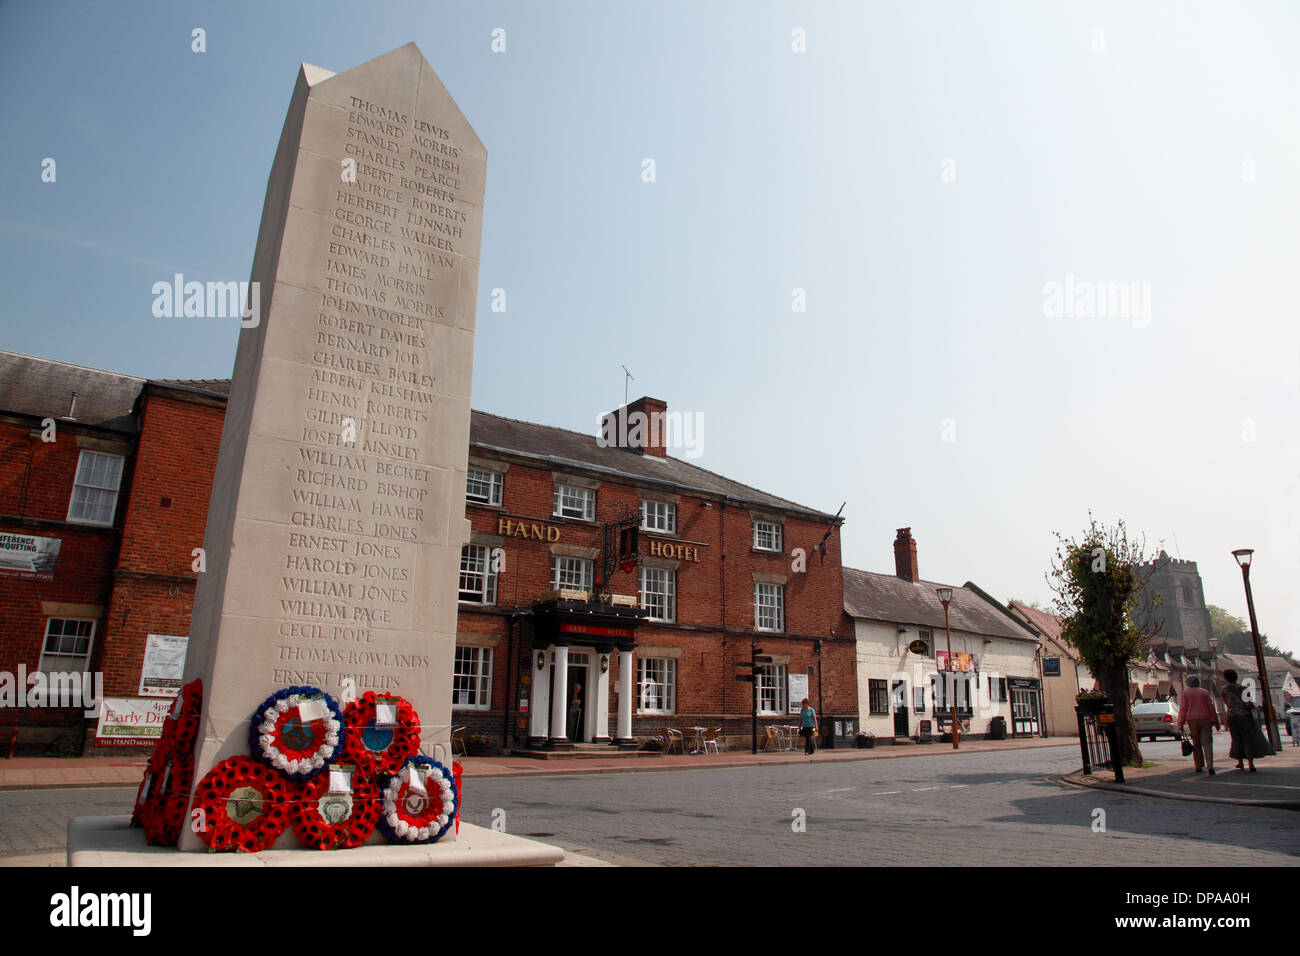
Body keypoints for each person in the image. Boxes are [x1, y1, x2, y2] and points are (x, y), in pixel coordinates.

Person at [1221, 669, 1272, 772]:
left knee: (1236, 738)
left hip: (1232, 716)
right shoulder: (1243, 689)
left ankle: (1240, 762)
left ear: (1225, 678)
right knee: (1247, 738)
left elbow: (1226, 702)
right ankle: (1250, 763)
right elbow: (1249, 703)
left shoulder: (1223, 690)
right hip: (1244, 715)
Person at [1176, 675, 1219, 775]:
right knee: (1207, 742)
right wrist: (1215, 720)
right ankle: (1210, 766)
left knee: (1196, 743)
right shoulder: (1204, 692)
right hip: (1205, 718)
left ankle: (1198, 765)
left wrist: (1180, 723)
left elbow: (1183, 709)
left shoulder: (1185, 693)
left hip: (1192, 719)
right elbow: (1210, 706)